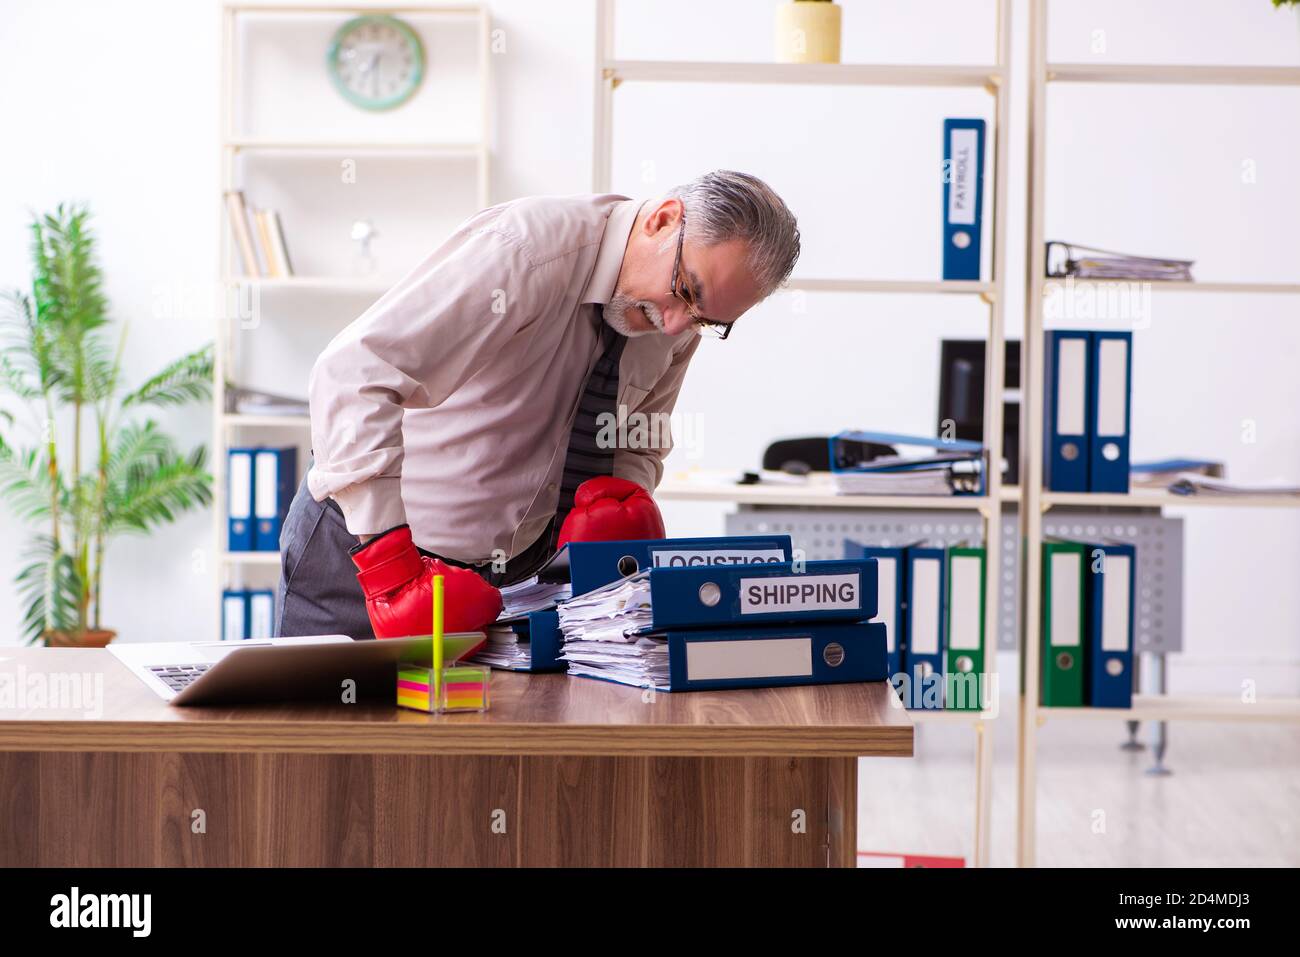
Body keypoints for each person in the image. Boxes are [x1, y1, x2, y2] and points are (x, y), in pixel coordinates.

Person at [275, 170, 800, 641]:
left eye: (707, 320)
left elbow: (637, 432)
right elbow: (355, 372)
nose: (677, 326)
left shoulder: (675, 321)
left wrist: (626, 496)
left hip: (507, 588)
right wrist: (390, 567)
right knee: (326, 744)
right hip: (366, 557)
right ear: (663, 220)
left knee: (491, 750)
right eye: (685, 290)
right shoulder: (525, 250)